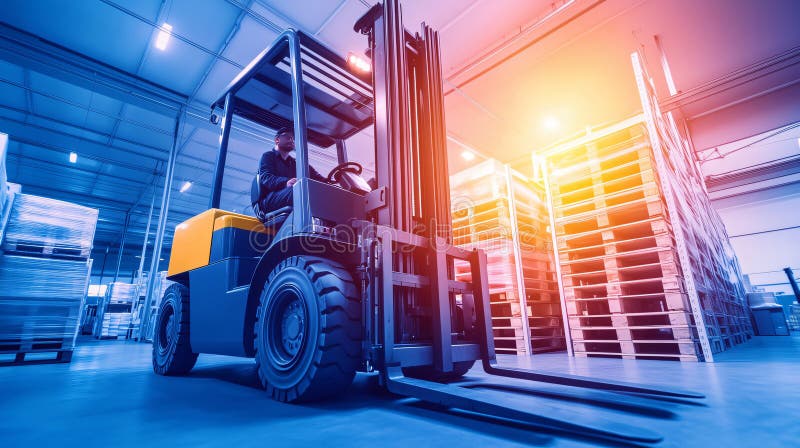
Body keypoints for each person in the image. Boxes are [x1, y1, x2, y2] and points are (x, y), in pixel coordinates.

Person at [255, 126, 329, 216]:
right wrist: (286, 182)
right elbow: (266, 178)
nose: (291, 140)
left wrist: (330, 182)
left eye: (293, 139)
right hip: (269, 201)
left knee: (321, 194)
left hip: (288, 194)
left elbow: (317, 176)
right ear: (277, 140)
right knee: (300, 190)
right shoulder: (268, 156)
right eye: (288, 137)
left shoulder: (295, 163)